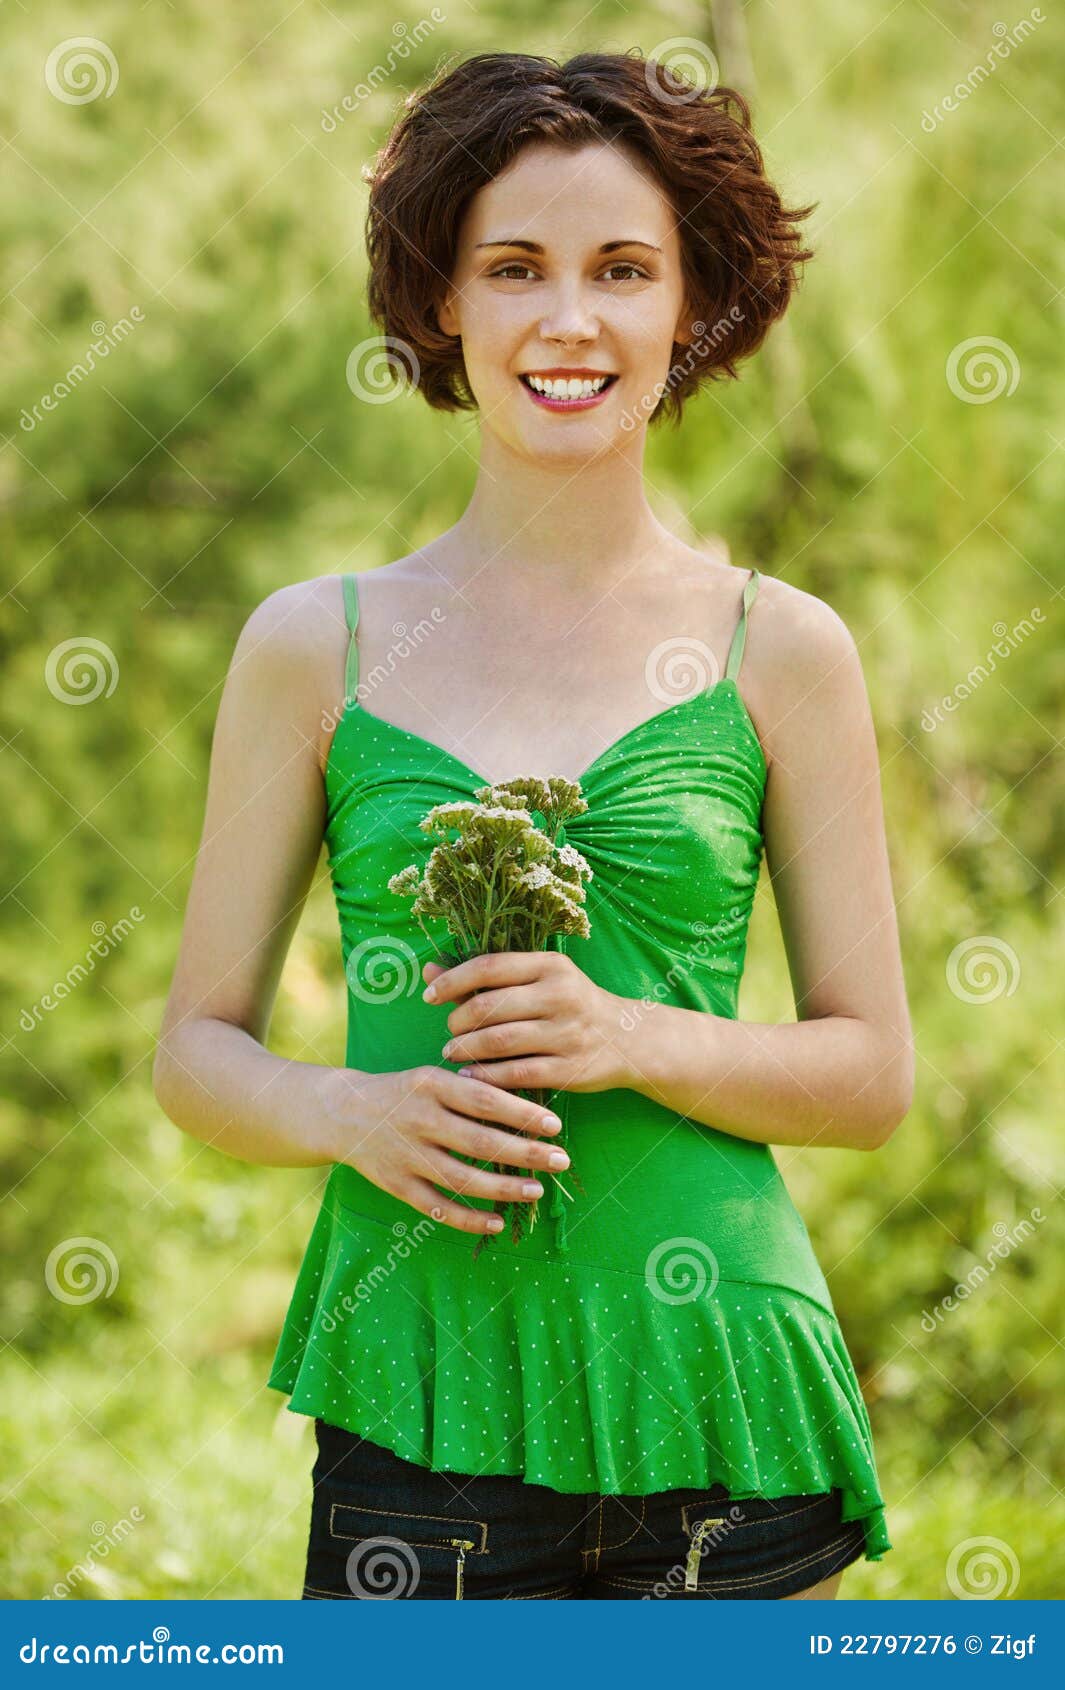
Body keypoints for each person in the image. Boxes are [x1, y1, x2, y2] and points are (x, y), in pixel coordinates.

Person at [153, 49, 913, 1600]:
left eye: (622, 270)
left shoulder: (784, 647)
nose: (568, 319)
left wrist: (628, 1034)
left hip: (716, 1397)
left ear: (688, 310)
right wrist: (347, 1113)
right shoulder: (317, 644)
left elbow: (869, 1074)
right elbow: (195, 1050)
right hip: (415, 1377)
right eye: (515, 268)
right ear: (444, 302)